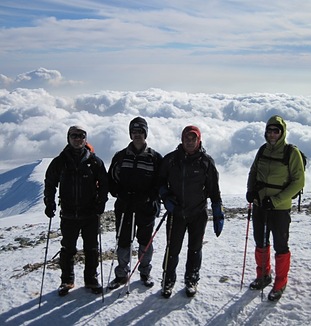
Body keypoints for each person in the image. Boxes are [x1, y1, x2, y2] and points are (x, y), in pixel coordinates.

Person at [158, 125, 224, 298]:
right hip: (176, 212)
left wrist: (218, 211)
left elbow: (214, 190)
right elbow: (159, 182)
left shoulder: (206, 162)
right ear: (182, 139)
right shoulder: (171, 160)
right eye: (187, 138)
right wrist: (165, 197)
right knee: (172, 249)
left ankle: (192, 279)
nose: (189, 141)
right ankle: (168, 280)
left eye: (193, 138)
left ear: (199, 140)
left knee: (195, 248)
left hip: (198, 214)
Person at [44, 125, 108, 296]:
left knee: (92, 248)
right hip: (69, 214)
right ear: (69, 138)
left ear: (86, 139)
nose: (78, 139)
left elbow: (104, 183)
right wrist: (49, 202)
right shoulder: (60, 161)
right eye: (74, 136)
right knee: (67, 248)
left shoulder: (95, 162)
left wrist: (101, 201)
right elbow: (50, 182)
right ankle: (66, 280)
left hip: (90, 213)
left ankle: (91, 279)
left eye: (81, 136)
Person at [246, 115, 305, 301]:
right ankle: (263, 275)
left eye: (276, 131)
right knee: (260, 242)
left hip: (280, 209)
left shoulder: (291, 153)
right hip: (260, 205)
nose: (272, 134)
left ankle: (280, 282)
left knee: (281, 244)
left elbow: (298, 182)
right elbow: (253, 172)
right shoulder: (263, 150)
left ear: (282, 132)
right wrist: (251, 191)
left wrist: (277, 200)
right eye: (269, 131)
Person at [107, 117, 162, 289]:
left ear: (146, 133)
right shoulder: (120, 156)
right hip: (125, 206)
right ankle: (122, 273)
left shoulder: (154, 158)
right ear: (130, 134)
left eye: (141, 132)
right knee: (124, 240)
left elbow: (161, 182)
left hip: (146, 207)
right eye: (134, 132)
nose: (137, 135)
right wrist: (118, 192)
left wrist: (150, 196)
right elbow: (111, 179)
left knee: (145, 241)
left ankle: (145, 272)